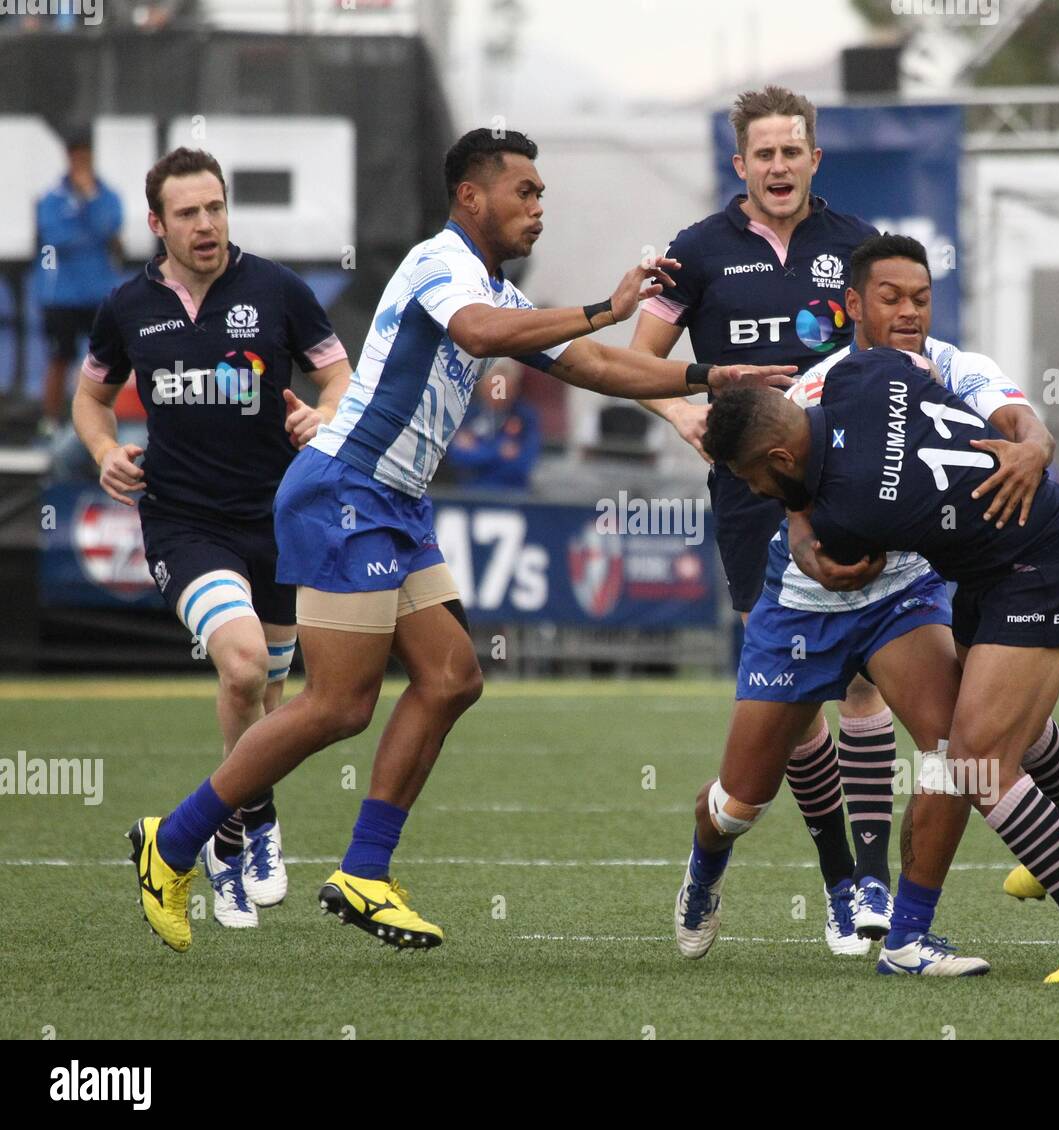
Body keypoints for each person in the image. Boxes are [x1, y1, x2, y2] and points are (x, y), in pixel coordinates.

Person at [125, 127, 793, 954]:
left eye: (543, 194)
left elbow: (593, 365)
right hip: (344, 491)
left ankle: (365, 871)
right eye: (527, 192)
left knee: (451, 678)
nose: (539, 207)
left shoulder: (501, 294)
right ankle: (174, 842)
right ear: (472, 197)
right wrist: (605, 307)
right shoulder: (439, 263)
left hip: (393, 503)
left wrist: (708, 376)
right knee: (339, 705)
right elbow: (477, 335)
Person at [696, 351, 1059, 984]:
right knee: (1011, 730)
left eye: (752, 479)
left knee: (977, 759)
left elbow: (833, 544)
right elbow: (919, 381)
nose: (756, 493)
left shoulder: (852, 514)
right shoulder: (866, 372)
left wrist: (803, 535)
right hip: (994, 569)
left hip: (1040, 565)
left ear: (779, 460)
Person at [630, 85, 888, 953]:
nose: (779, 166)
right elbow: (641, 365)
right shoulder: (697, 251)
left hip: (847, 490)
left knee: (862, 682)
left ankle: (866, 892)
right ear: (740, 165)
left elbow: (897, 360)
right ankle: (838, 880)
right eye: (763, 154)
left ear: (816, 157)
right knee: (793, 709)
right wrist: (685, 415)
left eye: (793, 150)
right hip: (749, 500)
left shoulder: (856, 248)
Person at [73, 147, 353, 928]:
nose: (207, 224)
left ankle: (228, 837)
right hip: (183, 521)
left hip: (281, 517)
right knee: (240, 667)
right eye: (189, 213)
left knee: (271, 693)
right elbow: (89, 402)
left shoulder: (278, 290)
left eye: (217, 207)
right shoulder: (126, 307)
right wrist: (103, 452)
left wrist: (322, 414)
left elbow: (339, 377)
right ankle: (251, 826)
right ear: (158, 223)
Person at [36, 132, 123, 439]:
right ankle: (51, 423)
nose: (81, 163)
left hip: (98, 293)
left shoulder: (106, 195)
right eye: (76, 157)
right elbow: (56, 237)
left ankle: (106, 418)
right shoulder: (53, 197)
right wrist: (87, 230)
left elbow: (109, 227)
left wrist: (88, 203)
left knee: (106, 358)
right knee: (60, 356)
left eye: (86, 156)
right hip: (62, 295)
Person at [445, 359, 541, 490]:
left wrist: (477, 449)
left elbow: (523, 464)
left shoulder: (525, 418)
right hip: (469, 493)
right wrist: (498, 452)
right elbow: (456, 457)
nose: (498, 391)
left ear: (515, 387)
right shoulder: (467, 414)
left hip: (513, 495)